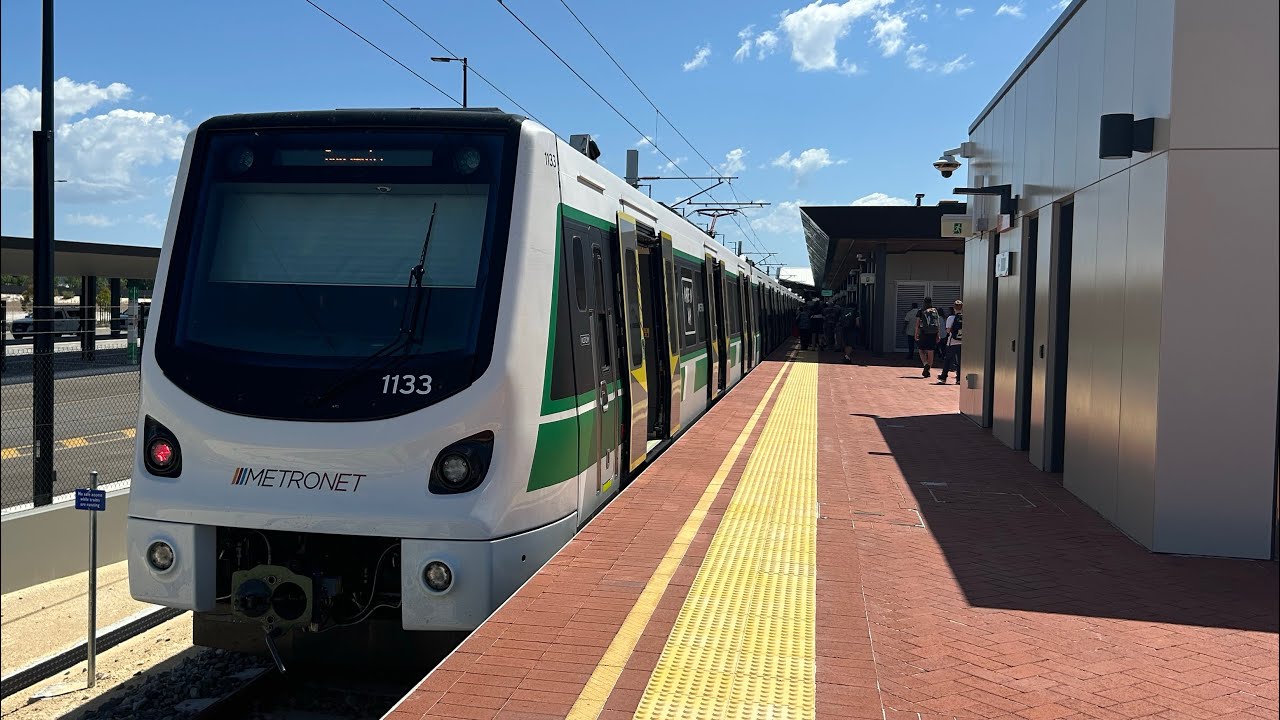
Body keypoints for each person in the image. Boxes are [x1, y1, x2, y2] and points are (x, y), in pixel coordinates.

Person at [914, 297, 941, 377]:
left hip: (924, 333)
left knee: (921, 350)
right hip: (933, 333)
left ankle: (925, 364)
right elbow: (938, 323)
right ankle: (928, 369)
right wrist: (938, 334)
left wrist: (916, 334)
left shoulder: (920, 311)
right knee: (931, 351)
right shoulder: (935, 311)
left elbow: (917, 324)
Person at [938, 299, 963, 385]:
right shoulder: (966, 317)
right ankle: (959, 378)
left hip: (952, 342)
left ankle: (943, 377)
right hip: (962, 343)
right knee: (960, 361)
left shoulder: (951, 318)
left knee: (948, 360)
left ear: (954, 308)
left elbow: (948, 331)